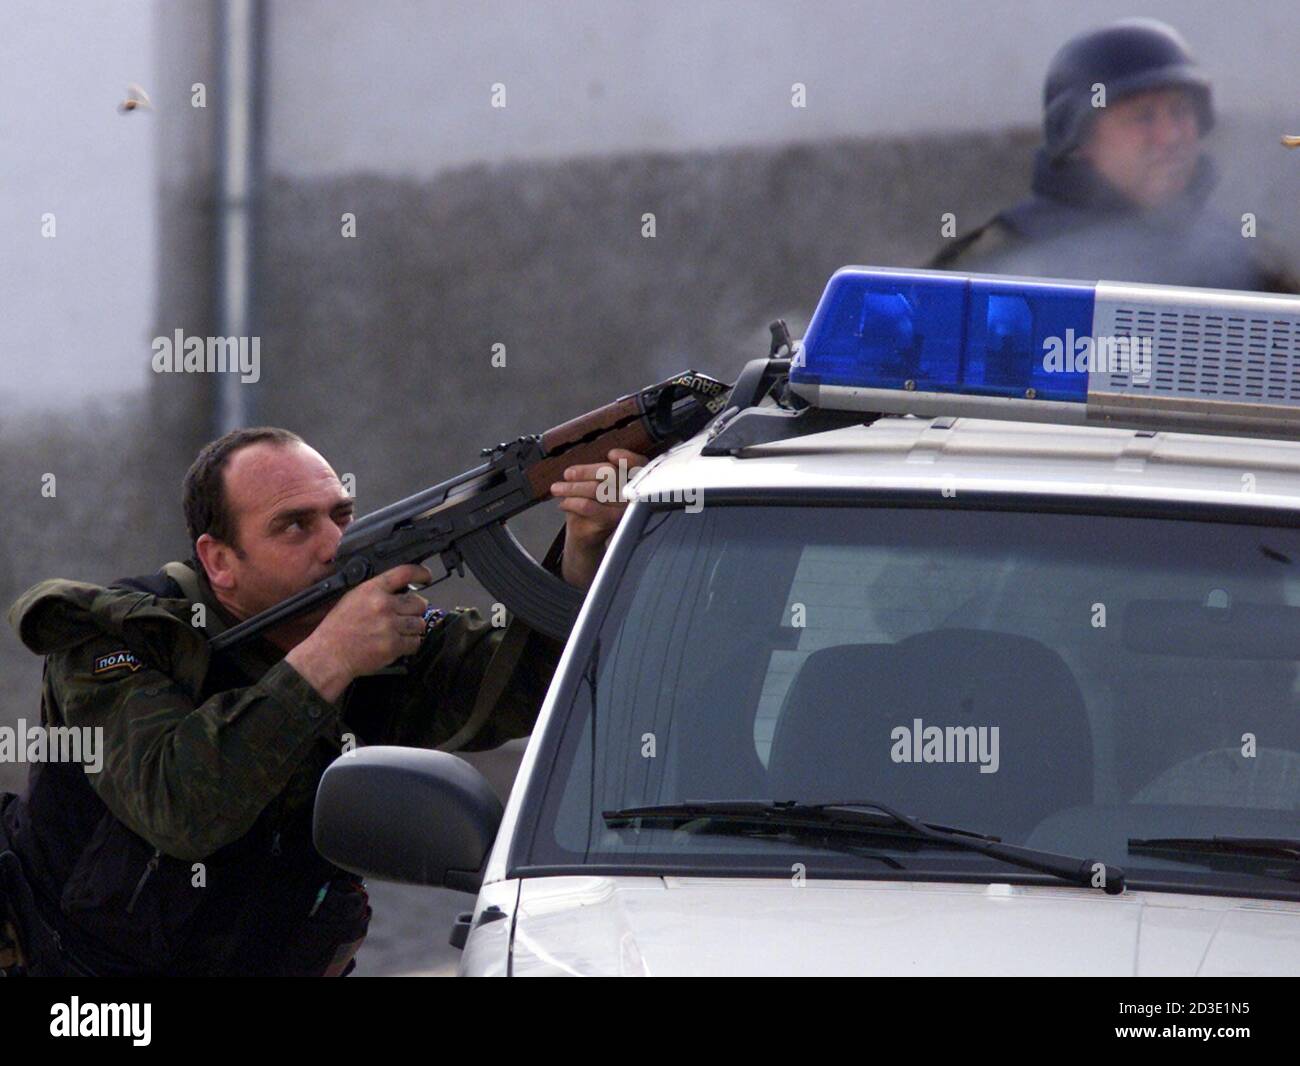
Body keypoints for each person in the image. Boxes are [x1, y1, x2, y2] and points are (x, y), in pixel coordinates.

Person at [0, 426, 642, 976]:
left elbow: (524, 687)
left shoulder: (374, 640)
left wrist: (584, 551)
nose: (332, 545)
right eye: (294, 525)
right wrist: (329, 657)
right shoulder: (112, 640)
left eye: (339, 514)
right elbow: (180, 806)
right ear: (219, 561)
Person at [928, 17, 1297, 294]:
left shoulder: (1252, 262)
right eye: (1143, 117)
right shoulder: (988, 266)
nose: (1169, 137)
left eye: (1180, 112)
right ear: (1079, 137)